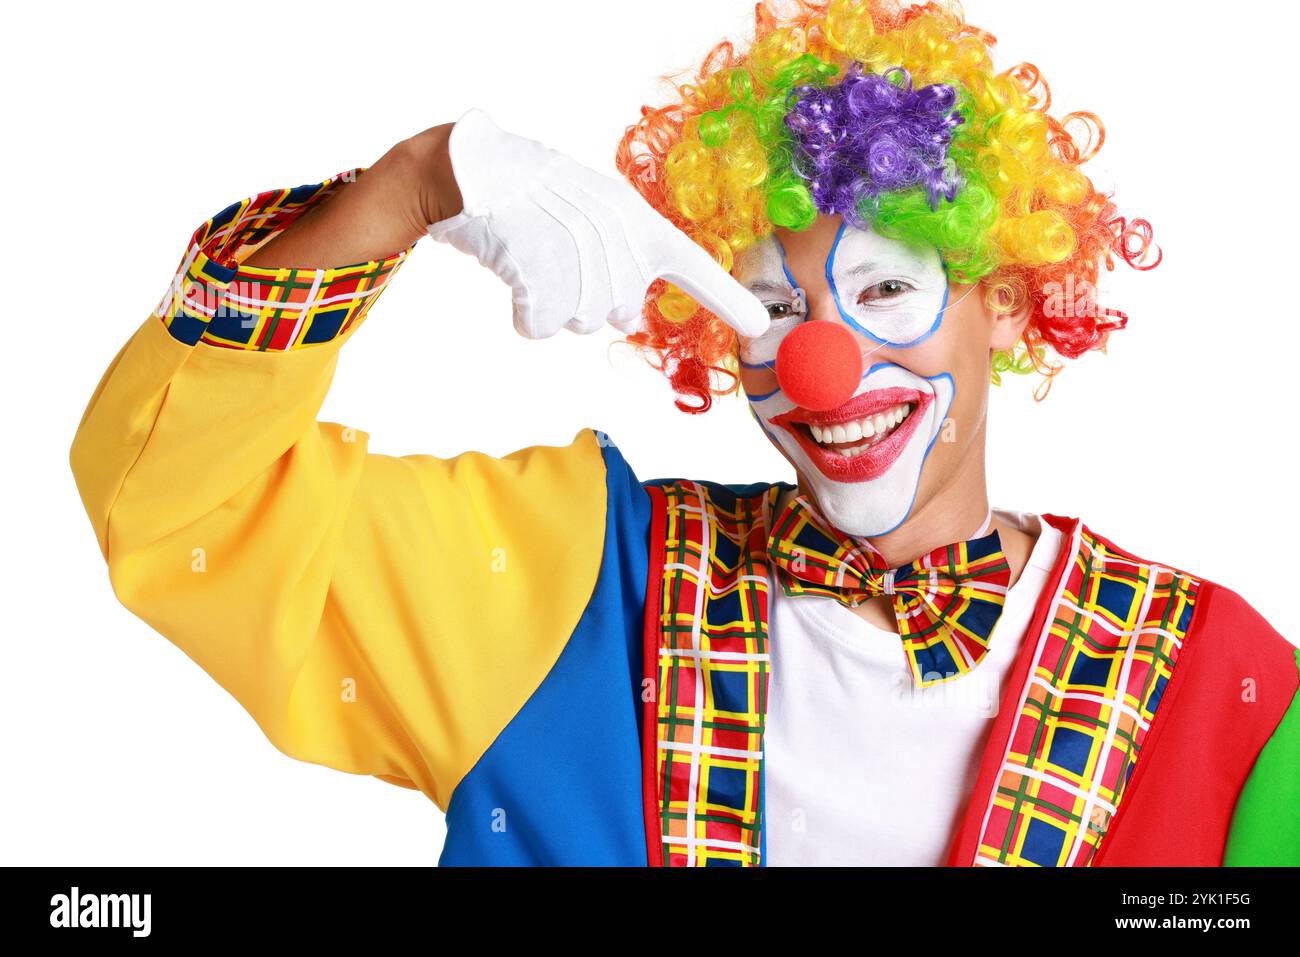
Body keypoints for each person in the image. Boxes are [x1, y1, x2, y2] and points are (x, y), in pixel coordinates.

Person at [70, 0, 1297, 866]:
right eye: (769, 306)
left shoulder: (1217, 686)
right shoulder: (565, 584)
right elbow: (178, 505)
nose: (826, 364)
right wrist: (411, 188)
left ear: (1008, 300)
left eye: (882, 293)